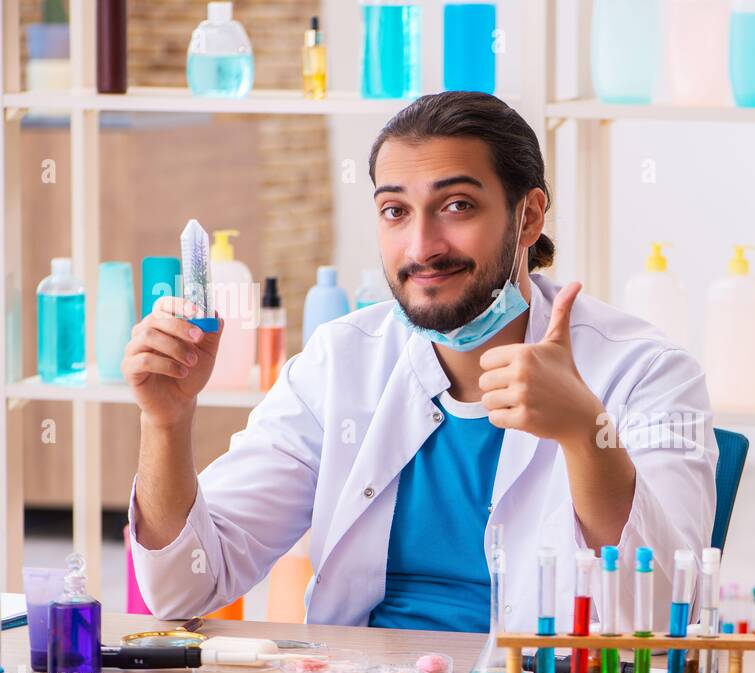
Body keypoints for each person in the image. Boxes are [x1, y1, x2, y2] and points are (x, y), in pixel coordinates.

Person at [123, 92, 717, 633]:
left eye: (457, 206)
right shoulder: (340, 362)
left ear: (529, 216)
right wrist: (167, 424)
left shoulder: (646, 371)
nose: (422, 246)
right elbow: (183, 588)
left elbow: (660, 622)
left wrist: (587, 435)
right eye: (395, 211)